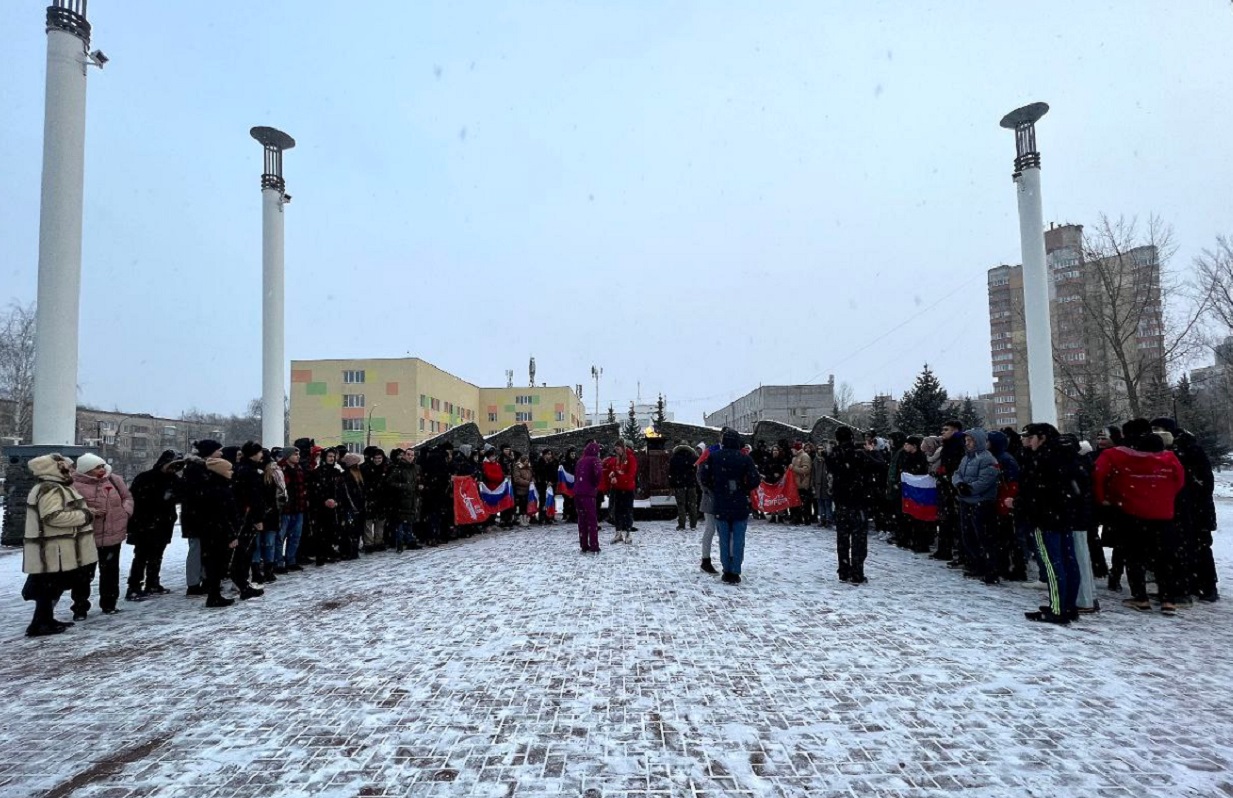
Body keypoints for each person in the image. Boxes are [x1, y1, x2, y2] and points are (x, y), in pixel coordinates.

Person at [1094, 418, 1185, 615]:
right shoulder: (1169, 457)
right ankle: (1168, 598)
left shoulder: (1114, 455)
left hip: (1131, 512)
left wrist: (1105, 499)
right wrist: (1164, 497)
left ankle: (1140, 597)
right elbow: (1179, 481)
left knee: (1134, 556)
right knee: (1164, 558)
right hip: (1163, 514)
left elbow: (1098, 476)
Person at [21, 454, 98, 636]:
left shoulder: (52, 487)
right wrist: (84, 515)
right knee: (49, 586)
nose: (71, 471)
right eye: (68, 468)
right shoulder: (51, 489)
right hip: (54, 548)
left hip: (55, 547)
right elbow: (52, 517)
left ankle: (45, 620)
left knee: (50, 586)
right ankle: (41, 623)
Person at [1018, 423, 1084, 624]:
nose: (1028, 442)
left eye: (1031, 437)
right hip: (1064, 517)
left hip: (1046, 518)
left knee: (1053, 565)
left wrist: (1020, 504)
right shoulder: (1068, 455)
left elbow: (1036, 491)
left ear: (1042, 437)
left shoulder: (1043, 458)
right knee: (1068, 562)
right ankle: (1068, 605)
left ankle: (1057, 609)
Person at [1151, 417, 1218, 604]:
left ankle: (1207, 586)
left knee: (1199, 548)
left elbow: (1203, 482)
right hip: (1179, 510)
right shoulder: (1169, 450)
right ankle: (1184, 586)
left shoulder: (1188, 449)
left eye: (1158, 430)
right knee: (1180, 549)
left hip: (1194, 510)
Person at [181, 442, 244, 607]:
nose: (221, 454)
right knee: (205, 555)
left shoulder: (210, 477)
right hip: (205, 524)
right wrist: (229, 530)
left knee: (210, 557)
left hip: (208, 523)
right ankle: (201, 586)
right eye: (218, 451)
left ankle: (210, 586)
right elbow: (214, 507)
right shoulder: (201, 475)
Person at [72, 453, 133, 617]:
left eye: (102, 466)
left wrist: (125, 512)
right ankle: (80, 607)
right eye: (97, 467)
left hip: (113, 535)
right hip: (87, 536)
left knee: (110, 572)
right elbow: (69, 508)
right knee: (84, 574)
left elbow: (127, 497)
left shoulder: (113, 480)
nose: (101, 470)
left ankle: (109, 603)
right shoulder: (73, 485)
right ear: (86, 470)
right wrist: (89, 512)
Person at [699, 428, 761, 584]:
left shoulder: (714, 457)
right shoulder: (744, 458)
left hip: (721, 502)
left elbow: (704, 477)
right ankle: (735, 570)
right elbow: (755, 479)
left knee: (724, 538)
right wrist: (744, 488)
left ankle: (726, 569)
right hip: (739, 501)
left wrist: (716, 488)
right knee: (738, 538)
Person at [125, 449, 182, 601]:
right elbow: (135, 500)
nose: (173, 469)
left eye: (176, 467)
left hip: (162, 523)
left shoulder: (173, 479)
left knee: (157, 555)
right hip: (144, 524)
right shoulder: (145, 478)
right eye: (171, 465)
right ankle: (134, 586)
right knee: (141, 556)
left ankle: (152, 583)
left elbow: (180, 495)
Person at [951, 429, 1002, 585]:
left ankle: (990, 570)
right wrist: (959, 484)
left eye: (970, 441)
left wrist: (970, 488)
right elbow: (957, 473)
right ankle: (977, 565)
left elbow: (986, 480)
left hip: (981, 502)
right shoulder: (966, 458)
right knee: (969, 536)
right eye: (966, 441)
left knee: (984, 538)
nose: (967, 443)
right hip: (966, 501)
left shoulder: (987, 459)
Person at [825, 427, 875, 584]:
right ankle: (857, 572)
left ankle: (844, 570)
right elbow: (878, 466)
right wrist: (872, 452)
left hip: (841, 501)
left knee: (843, 539)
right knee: (859, 540)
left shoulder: (833, 455)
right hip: (857, 501)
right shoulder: (858, 454)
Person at [231, 442, 268, 596]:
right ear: (253, 453)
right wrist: (258, 518)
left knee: (244, 550)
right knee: (244, 550)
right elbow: (254, 497)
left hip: (241, 515)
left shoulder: (241, 469)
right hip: (247, 516)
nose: (262, 455)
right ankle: (241, 583)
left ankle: (241, 581)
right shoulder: (250, 471)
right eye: (259, 452)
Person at [251, 450, 287, 583]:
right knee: (261, 544)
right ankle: (260, 570)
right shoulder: (257, 477)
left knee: (268, 543)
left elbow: (280, 495)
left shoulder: (273, 476)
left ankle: (268, 569)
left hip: (270, 514)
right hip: (262, 514)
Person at [899, 436, 935, 553]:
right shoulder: (907, 456)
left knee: (919, 518)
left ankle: (921, 542)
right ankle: (912, 540)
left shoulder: (920, 457)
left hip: (919, 491)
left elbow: (919, 472)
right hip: (911, 491)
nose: (905, 447)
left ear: (914, 446)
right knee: (911, 516)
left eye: (907, 444)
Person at [310, 448, 345, 565]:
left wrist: (337, 501)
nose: (332, 458)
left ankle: (330, 552)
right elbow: (314, 491)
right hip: (320, 508)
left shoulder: (337, 473)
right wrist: (323, 501)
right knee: (321, 533)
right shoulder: (317, 472)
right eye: (329, 456)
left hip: (334, 507)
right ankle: (321, 555)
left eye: (333, 456)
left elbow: (341, 490)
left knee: (332, 531)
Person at [385, 448, 422, 551]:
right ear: (404, 456)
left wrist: (419, 486)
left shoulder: (416, 468)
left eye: (412, 455)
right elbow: (390, 482)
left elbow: (418, 480)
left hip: (413, 498)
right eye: (408, 454)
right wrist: (404, 486)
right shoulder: (398, 468)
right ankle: (399, 542)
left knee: (410, 520)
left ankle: (410, 541)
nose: (410, 457)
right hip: (401, 499)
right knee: (400, 522)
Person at [277, 448, 308, 572]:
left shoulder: (299, 469)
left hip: (298, 507)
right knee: (281, 537)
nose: (298, 456)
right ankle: (278, 562)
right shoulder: (280, 469)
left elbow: (302, 487)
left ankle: (291, 560)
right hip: (286, 508)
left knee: (295, 536)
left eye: (298, 454)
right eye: (295, 454)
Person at [574, 441, 604, 553]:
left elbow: (576, 475)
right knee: (592, 520)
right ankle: (594, 545)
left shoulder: (580, 461)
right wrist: (594, 484)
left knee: (582, 519)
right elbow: (598, 473)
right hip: (588, 493)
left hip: (578, 493)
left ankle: (584, 544)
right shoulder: (594, 460)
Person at [360, 447, 390, 552]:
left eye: (379, 458)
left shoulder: (386, 468)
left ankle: (378, 541)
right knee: (368, 522)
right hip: (370, 497)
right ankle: (368, 543)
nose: (377, 460)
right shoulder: (365, 468)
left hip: (382, 498)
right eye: (376, 458)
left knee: (380, 522)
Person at [607, 440, 638, 543]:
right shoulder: (618, 459)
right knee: (618, 512)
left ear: (623, 448)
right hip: (618, 489)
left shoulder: (631, 458)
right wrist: (613, 474)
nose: (617, 451)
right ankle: (618, 533)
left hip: (628, 489)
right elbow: (617, 470)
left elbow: (631, 475)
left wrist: (618, 478)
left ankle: (628, 533)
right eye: (615, 449)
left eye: (618, 449)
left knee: (628, 511)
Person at [697, 442, 720, 572]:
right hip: (710, 500)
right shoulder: (706, 464)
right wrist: (708, 491)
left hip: (714, 499)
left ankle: (707, 560)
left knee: (713, 530)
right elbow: (702, 481)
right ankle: (705, 560)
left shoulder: (707, 464)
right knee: (710, 530)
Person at [338, 452, 366, 558]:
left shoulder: (358, 477)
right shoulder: (347, 477)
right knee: (350, 530)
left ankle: (353, 550)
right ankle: (349, 551)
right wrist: (353, 506)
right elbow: (347, 494)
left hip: (358, 506)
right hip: (351, 507)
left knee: (356, 530)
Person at [668, 440, 699, 531]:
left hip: (679, 484)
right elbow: (696, 471)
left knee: (681, 505)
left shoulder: (674, 458)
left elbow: (671, 473)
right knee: (692, 504)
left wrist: (672, 485)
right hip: (691, 484)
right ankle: (693, 524)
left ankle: (682, 525)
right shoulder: (693, 457)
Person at [789, 442, 813, 526]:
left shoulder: (805, 456)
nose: (791, 451)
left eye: (793, 449)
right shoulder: (795, 457)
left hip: (803, 484)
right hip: (796, 484)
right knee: (797, 503)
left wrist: (794, 468)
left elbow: (806, 470)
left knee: (804, 504)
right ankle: (797, 518)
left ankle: (806, 519)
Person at [533, 449, 558, 525]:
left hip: (550, 486)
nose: (549, 456)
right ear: (544, 455)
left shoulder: (551, 464)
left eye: (550, 454)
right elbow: (538, 474)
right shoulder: (539, 463)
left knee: (550, 501)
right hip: (542, 486)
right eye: (548, 454)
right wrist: (543, 481)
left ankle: (549, 517)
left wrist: (551, 481)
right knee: (543, 502)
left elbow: (554, 474)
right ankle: (542, 518)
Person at [512, 452, 534, 525]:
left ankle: (525, 519)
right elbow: (517, 479)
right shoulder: (517, 467)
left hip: (527, 490)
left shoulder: (529, 468)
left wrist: (532, 481)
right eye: (525, 461)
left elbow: (531, 476)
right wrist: (527, 482)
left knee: (525, 505)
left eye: (527, 461)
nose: (526, 462)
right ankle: (521, 520)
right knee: (521, 505)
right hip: (520, 490)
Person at [560, 447, 579, 522]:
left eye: (574, 454)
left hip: (574, 483)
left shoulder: (576, 462)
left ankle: (574, 515)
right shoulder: (565, 463)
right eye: (572, 454)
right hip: (567, 484)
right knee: (567, 500)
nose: (573, 455)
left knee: (574, 501)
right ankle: (567, 515)